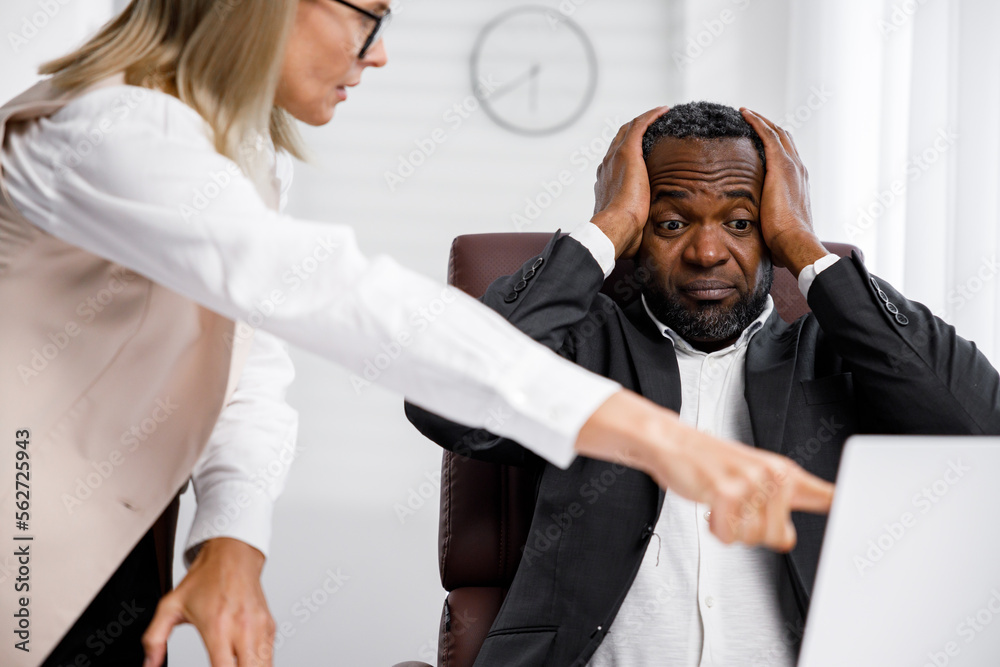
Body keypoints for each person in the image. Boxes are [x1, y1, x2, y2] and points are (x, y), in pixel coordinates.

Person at [0, 3, 833, 666]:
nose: (381, 53)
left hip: (103, 546)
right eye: (370, 15)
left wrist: (231, 537)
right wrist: (661, 440)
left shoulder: (243, 155)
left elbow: (246, 361)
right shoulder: (109, 135)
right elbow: (343, 295)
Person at [404, 101, 1000, 666]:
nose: (708, 251)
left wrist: (802, 241)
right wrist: (604, 229)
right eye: (670, 222)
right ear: (637, 237)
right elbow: (445, 398)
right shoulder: (581, 349)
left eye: (740, 222)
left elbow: (978, 430)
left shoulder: (833, 352)